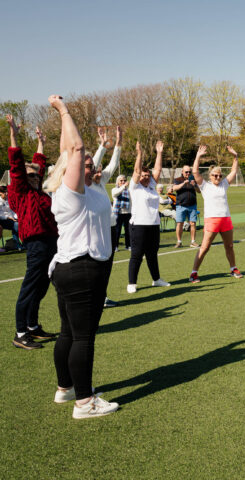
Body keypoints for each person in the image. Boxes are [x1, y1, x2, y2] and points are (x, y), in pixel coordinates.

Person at [44, 94, 119, 418]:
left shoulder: (83, 190)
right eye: (85, 165)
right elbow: (73, 150)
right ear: (71, 170)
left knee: (69, 333)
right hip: (83, 269)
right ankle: (84, 402)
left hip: (70, 268)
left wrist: (63, 120)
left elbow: (67, 151)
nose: (90, 166)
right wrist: (64, 110)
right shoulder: (72, 194)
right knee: (83, 337)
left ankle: (66, 388)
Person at [6, 115, 58, 350]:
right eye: (30, 175)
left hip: (50, 241)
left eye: (36, 174)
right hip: (36, 243)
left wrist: (41, 143)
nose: (35, 176)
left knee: (42, 285)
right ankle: (20, 333)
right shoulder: (20, 191)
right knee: (30, 286)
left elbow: (39, 162)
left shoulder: (40, 192)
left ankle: (33, 326)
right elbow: (17, 165)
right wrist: (14, 135)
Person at [188, 145, 243, 282]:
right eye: (215, 175)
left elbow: (234, 171)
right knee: (205, 247)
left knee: (229, 246)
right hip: (212, 220)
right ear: (210, 175)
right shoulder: (205, 185)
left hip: (225, 219)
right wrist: (198, 156)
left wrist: (235, 156)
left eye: (219, 175)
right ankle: (194, 273)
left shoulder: (224, 184)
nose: (218, 177)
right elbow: (195, 171)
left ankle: (233, 268)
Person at [126, 140, 171, 293]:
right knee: (137, 255)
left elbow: (157, 169)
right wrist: (139, 154)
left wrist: (159, 153)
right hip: (138, 225)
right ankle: (132, 283)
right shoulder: (135, 186)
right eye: (143, 176)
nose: (146, 177)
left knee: (152, 254)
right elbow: (137, 171)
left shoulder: (151, 185)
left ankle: (156, 279)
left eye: (147, 175)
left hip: (154, 225)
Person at [88, 126, 122, 308]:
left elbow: (114, 164)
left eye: (101, 171)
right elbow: (93, 162)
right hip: (96, 230)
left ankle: (102, 297)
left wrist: (118, 144)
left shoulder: (101, 181)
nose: (100, 173)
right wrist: (102, 146)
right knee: (96, 266)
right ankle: (93, 297)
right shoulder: (86, 185)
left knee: (107, 266)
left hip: (110, 229)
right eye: (96, 171)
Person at [171, 163, 200, 248]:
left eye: (189, 172)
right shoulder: (178, 179)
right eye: (186, 172)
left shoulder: (193, 179)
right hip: (181, 205)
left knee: (193, 223)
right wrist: (184, 183)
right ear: (182, 172)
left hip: (192, 205)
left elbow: (199, 191)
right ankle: (179, 241)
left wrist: (194, 185)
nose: (188, 174)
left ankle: (193, 241)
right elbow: (174, 188)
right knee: (180, 223)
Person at [111, 174, 131, 249]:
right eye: (121, 180)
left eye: (124, 180)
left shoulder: (128, 190)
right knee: (117, 230)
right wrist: (124, 186)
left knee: (128, 230)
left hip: (127, 213)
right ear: (117, 182)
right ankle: (115, 246)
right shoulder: (114, 189)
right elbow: (116, 193)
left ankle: (128, 245)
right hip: (118, 213)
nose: (123, 182)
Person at [0, 184, 20, 250]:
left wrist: (16, 217)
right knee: (16, 225)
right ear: (0, 193)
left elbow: (13, 210)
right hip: (3, 220)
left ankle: (17, 244)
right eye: (4, 192)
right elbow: (0, 214)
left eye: (7, 192)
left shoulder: (9, 199)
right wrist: (9, 218)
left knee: (17, 224)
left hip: (12, 219)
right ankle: (17, 244)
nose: (6, 193)